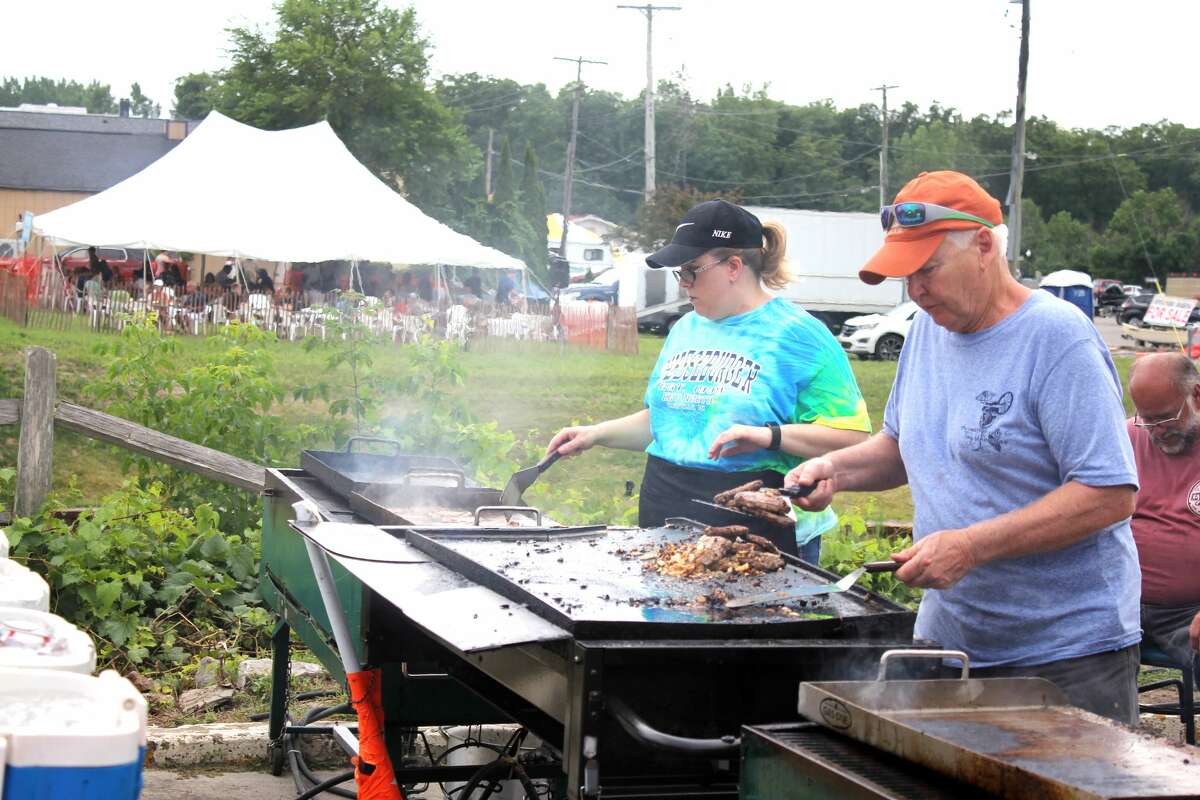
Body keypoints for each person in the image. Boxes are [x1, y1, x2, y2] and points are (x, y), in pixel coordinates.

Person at [787, 171, 1142, 725]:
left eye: (927, 269)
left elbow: (1109, 493)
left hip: (1065, 653)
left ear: (984, 246)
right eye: (907, 276)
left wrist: (971, 547)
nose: (916, 291)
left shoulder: (1058, 339)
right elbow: (903, 447)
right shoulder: (930, 329)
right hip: (952, 642)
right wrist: (835, 469)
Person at [546, 199, 871, 561]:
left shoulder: (800, 336)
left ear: (734, 266)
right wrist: (595, 434)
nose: (684, 283)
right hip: (665, 509)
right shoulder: (685, 328)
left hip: (759, 523)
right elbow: (664, 422)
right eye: (679, 272)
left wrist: (770, 436)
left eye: (692, 270)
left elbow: (852, 439)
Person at [1126, 353, 1200, 675]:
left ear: (1196, 395)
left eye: (1166, 418)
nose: (1155, 431)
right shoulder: (1126, 437)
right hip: (1119, 603)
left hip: (1189, 611)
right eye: (1147, 419)